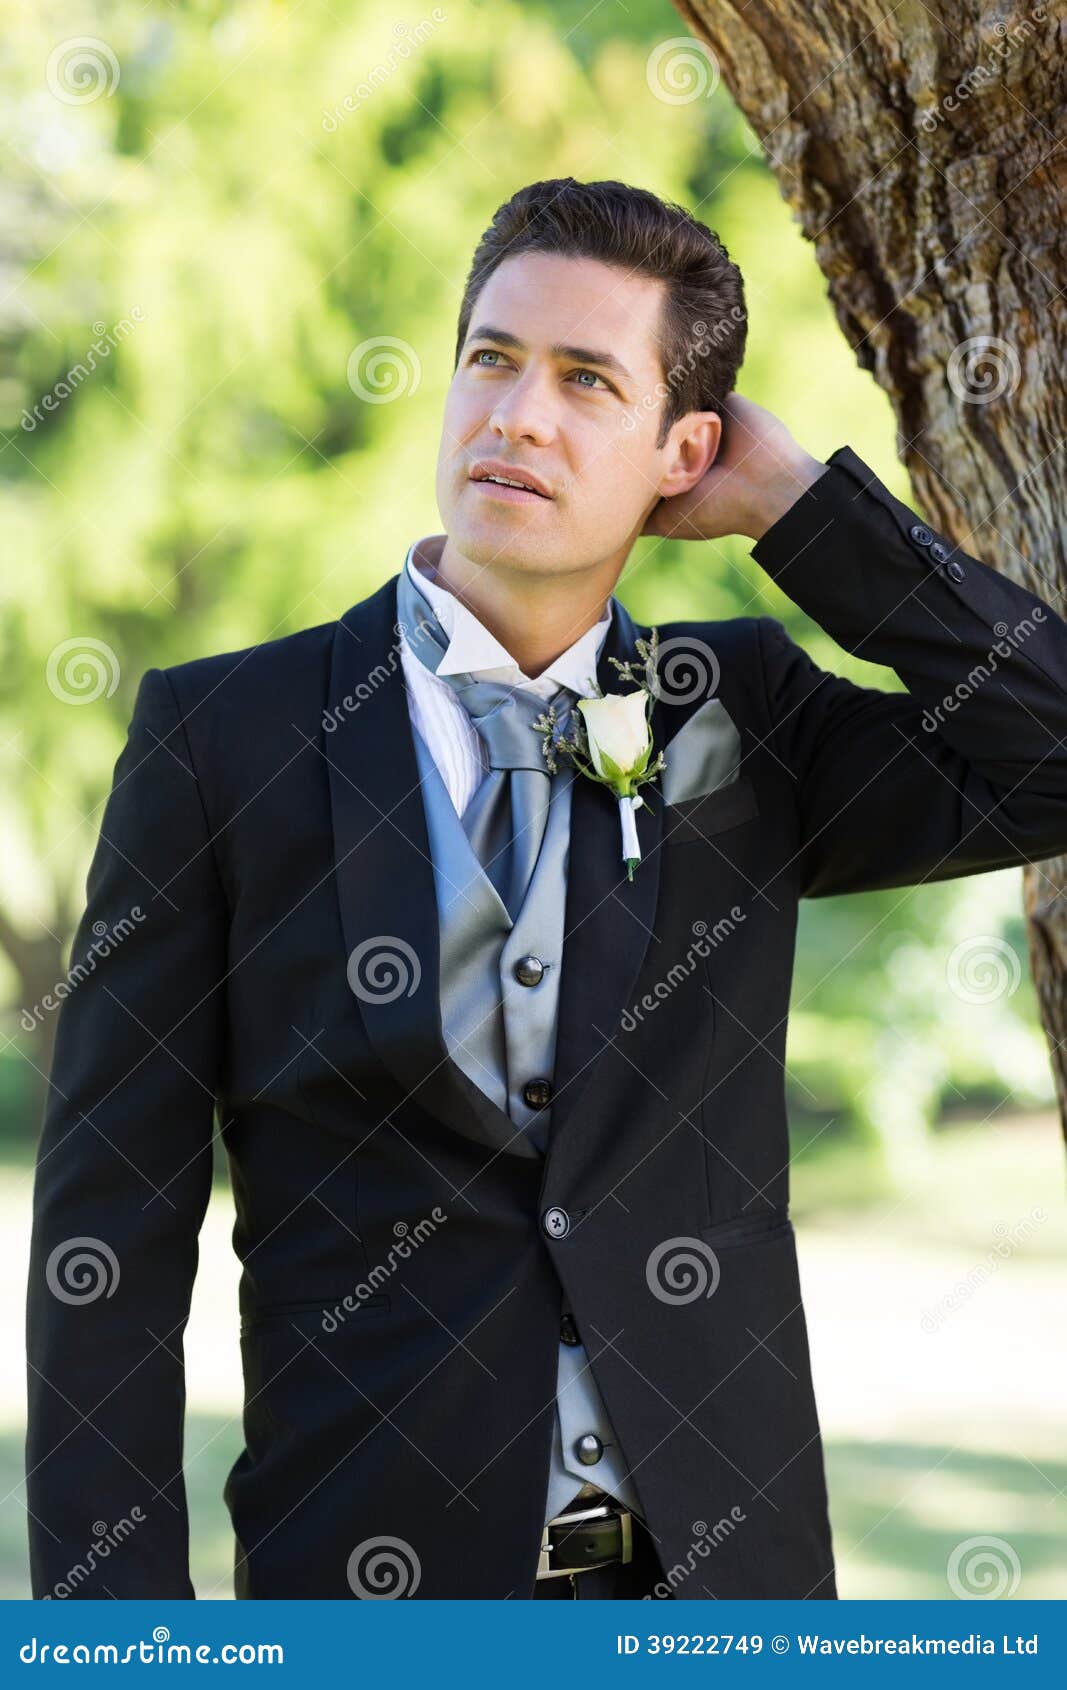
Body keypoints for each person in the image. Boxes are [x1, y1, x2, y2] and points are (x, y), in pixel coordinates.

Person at [25, 178, 1067, 1600]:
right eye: (493, 358)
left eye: (588, 381)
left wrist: (797, 505)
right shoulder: (229, 742)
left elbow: (1051, 750)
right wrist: (118, 1632)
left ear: (679, 447)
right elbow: (111, 1228)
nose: (518, 414)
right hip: (373, 1587)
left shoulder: (737, 715)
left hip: (721, 1589)